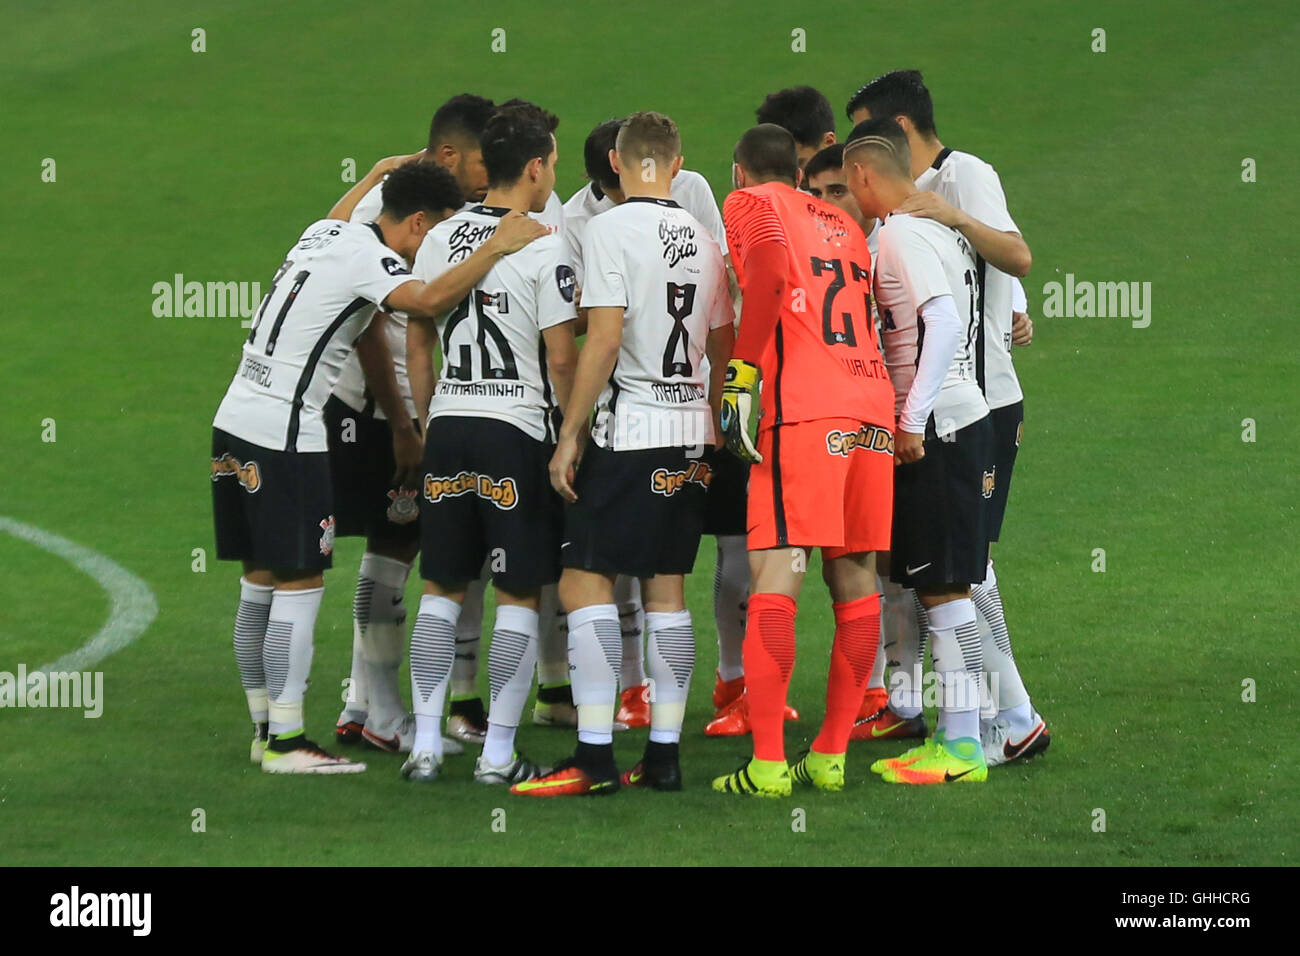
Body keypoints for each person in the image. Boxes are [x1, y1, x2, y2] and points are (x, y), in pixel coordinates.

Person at [213, 160, 545, 773]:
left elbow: (349, 233)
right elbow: (427, 301)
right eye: (434, 236)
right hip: (287, 429)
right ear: (416, 222)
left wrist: (368, 178)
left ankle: (264, 729)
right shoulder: (374, 259)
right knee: (300, 581)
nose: (434, 252)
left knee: (258, 578)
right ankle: (286, 742)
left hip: (234, 416)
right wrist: (495, 247)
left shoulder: (326, 231)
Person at [512, 111, 733, 797]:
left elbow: (602, 340)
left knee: (585, 580)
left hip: (630, 430)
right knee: (668, 588)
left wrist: (570, 432)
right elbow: (724, 337)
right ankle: (663, 757)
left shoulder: (606, 230)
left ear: (615, 161)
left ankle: (595, 756)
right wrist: (716, 412)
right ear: (675, 161)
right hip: (692, 430)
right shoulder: (702, 234)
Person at [847, 70, 1048, 764]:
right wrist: (1011, 310)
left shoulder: (960, 183)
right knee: (944, 574)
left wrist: (911, 415)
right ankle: (968, 716)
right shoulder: (910, 220)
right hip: (961, 397)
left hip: (972, 406)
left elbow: (1008, 259)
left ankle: (998, 722)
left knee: (960, 575)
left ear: (894, 135)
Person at [711, 124, 894, 797]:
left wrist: (740, 376)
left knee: (776, 573)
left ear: (739, 173)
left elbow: (769, 275)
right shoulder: (842, 220)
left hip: (807, 414)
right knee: (856, 577)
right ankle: (831, 754)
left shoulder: (752, 205)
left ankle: (765, 767)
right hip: (871, 410)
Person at [401, 103, 579, 785]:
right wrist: (571, 436)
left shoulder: (444, 237)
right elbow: (561, 359)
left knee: (442, 589)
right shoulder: (542, 240)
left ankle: (423, 745)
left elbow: (419, 336)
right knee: (516, 593)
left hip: (449, 428)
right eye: (552, 163)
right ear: (535, 169)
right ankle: (499, 754)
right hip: (513, 432)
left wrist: (428, 420)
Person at [845, 117, 995, 784]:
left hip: (941, 429)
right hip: (963, 421)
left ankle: (961, 746)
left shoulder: (901, 234)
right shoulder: (938, 230)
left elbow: (942, 319)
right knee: (947, 586)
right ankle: (961, 735)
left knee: (943, 589)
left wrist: (911, 418)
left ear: (862, 176)